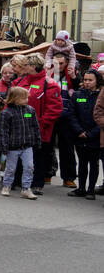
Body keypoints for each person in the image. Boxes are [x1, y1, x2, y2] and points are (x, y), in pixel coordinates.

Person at [12, 53, 62, 195]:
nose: (23, 67)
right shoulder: (19, 82)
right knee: (17, 154)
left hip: (39, 129)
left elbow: (54, 109)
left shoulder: (49, 84)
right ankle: (16, 180)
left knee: (38, 157)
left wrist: (41, 124)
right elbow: (10, 102)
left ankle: (37, 183)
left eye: (26, 65)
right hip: (19, 127)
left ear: (34, 66)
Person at [0, 86, 39, 199]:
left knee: (29, 166)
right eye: (24, 98)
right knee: (11, 168)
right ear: (15, 98)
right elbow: (3, 131)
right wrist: (4, 146)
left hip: (27, 145)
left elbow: (35, 126)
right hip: (13, 146)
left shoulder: (30, 110)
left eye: (27, 97)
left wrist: (37, 140)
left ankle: (26, 188)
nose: (27, 100)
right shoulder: (6, 113)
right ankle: (7, 185)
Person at [64, 69, 100, 198]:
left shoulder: (100, 96)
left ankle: (91, 190)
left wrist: (91, 133)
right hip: (79, 134)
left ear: (97, 81)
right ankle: (81, 188)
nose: (87, 82)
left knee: (94, 163)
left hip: (95, 135)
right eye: (85, 80)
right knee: (82, 162)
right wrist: (79, 130)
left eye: (90, 80)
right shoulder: (77, 95)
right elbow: (71, 114)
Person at [49, 50, 78, 188]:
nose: (58, 66)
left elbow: (79, 92)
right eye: (56, 63)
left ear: (66, 63)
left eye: (61, 63)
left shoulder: (72, 75)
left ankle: (69, 178)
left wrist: (74, 78)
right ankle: (47, 174)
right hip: (50, 116)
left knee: (67, 149)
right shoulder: (48, 74)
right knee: (47, 147)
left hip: (66, 118)